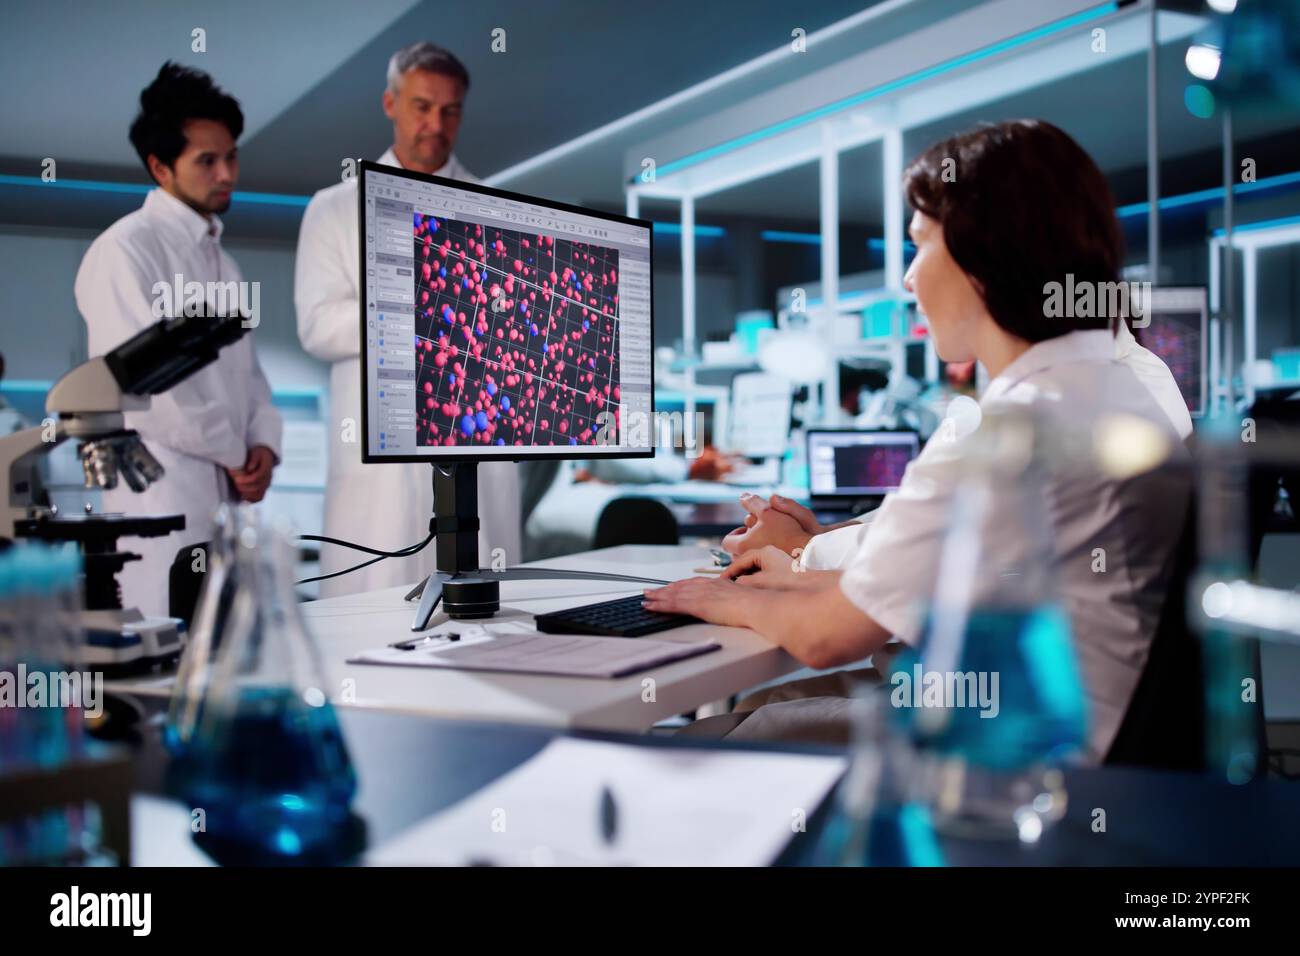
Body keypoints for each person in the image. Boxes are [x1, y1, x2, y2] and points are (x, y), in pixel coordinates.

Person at [644, 120, 1191, 764]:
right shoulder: (1113, 388)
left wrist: (717, 597)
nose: (908, 280)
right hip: (1091, 745)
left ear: (981, 254)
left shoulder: (1012, 431)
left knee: (705, 744)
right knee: (768, 713)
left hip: (1021, 765)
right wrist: (787, 579)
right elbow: (884, 600)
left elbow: (827, 638)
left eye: (919, 245)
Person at [295, 41, 521, 596]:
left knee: (485, 619)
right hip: (380, 468)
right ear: (390, 104)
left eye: (450, 110)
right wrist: (429, 313)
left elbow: (514, 322)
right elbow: (319, 327)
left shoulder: (500, 210)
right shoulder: (333, 208)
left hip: (478, 440)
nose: (435, 123)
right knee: (373, 620)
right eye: (422, 106)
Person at [74, 62, 281, 618]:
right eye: (207, 161)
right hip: (166, 491)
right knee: (166, 653)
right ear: (160, 167)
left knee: (226, 654)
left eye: (231, 156)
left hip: (232, 497)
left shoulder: (227, 265)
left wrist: (264, 446)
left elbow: (250, 377)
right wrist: (238, 453)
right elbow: (146, 392)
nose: (227, 174)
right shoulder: (125, 250)